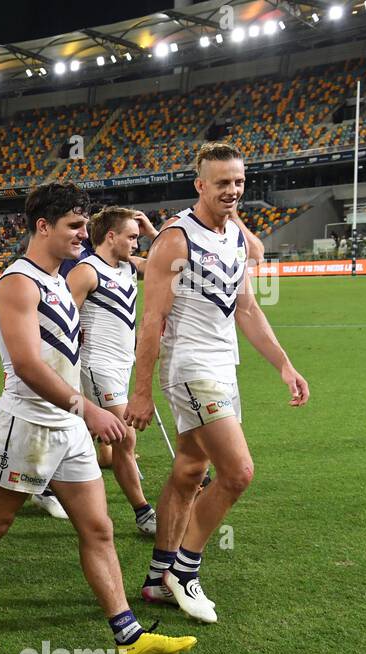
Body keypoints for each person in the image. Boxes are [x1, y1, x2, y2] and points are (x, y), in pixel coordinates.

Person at [0, 181, 198, 654]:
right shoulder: (18, 282)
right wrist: (91, 409)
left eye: (85, 225)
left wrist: (82, 414)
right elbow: (29, 366)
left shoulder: (60, 277)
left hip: (70, 427)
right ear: (43, 226)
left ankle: (128, 636)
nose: (83, 234)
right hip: (27, 426)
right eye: (74, 226)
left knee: (98, 529)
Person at [126, 143, 310, 624]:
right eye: (222, 182)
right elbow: (153, 322)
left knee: (189, 470)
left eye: (239, 182)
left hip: (223, 368)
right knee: (238, 473)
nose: (232, 190)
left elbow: (246, 309)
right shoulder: (174, 240)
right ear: (200, 185)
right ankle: (185, 572)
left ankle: (157, 576)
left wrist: (285, 366)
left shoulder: (233, 237)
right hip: (190, 370)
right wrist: (141, 392)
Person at [66, 206, 156, 535]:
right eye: (131, 237)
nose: (136, 243)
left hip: (122, 364)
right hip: (96, 365)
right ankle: (144, 512)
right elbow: (62, 318)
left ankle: (42, 481)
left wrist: (151, 231)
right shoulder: (86, 271)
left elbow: (172, 267)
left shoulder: (128, 266)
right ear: (111, 236)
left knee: (91, 437)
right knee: (125, 436)